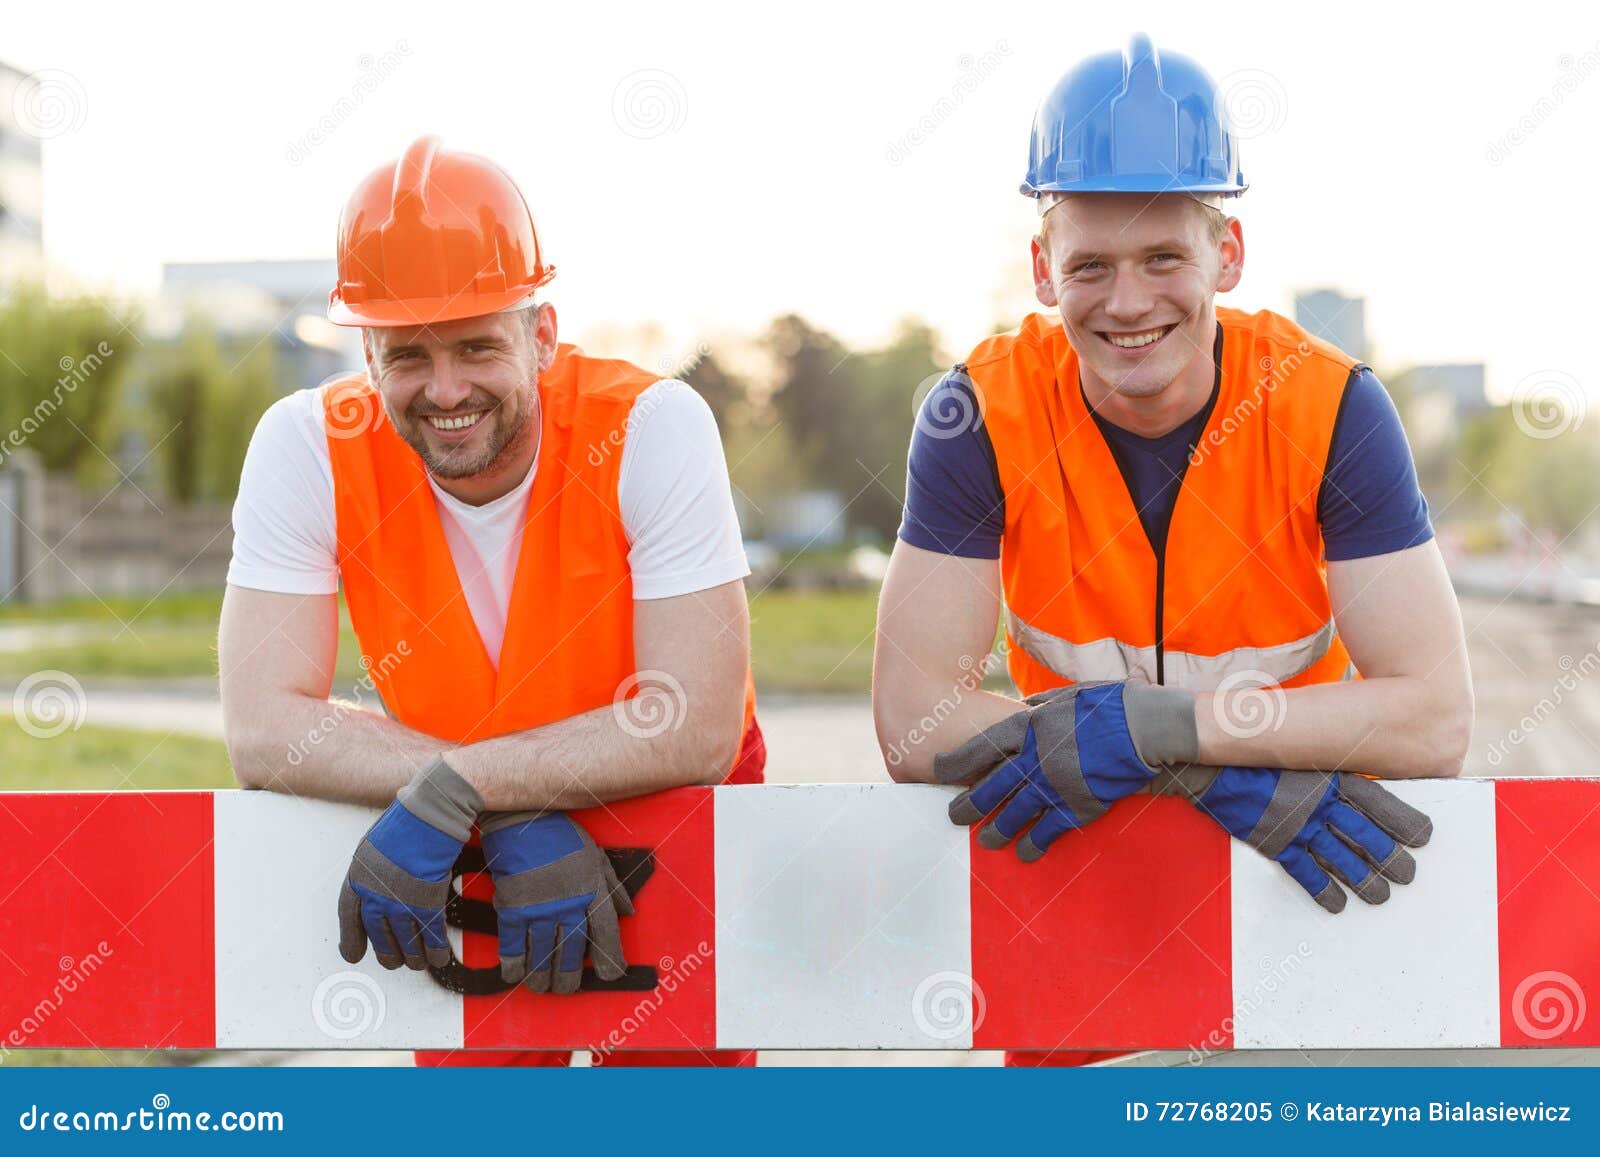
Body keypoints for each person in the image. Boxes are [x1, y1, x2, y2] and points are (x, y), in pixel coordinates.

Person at [872, 35, 1471, 1067]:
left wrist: (1157, 731)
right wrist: (1202, 765)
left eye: (1163, 258)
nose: (1127, 302)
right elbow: (912, 724)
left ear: (1226, 255)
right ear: (1039, 270)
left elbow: (1436, 717)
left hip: (1292, 888)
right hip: (1073, 894)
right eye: (1089, 266)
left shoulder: (1330, 407)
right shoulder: (979, 412)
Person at [218, 135, 762, 1067]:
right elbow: (265, 726)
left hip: (669, 824)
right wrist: (498, 808)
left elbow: (698, 721)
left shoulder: (653, 426)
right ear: (364, 348)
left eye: (477, 345)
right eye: (408, 355)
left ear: (542, 334)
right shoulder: (307, 445)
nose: (446, 389)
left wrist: (460, 785)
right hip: (453, 842)